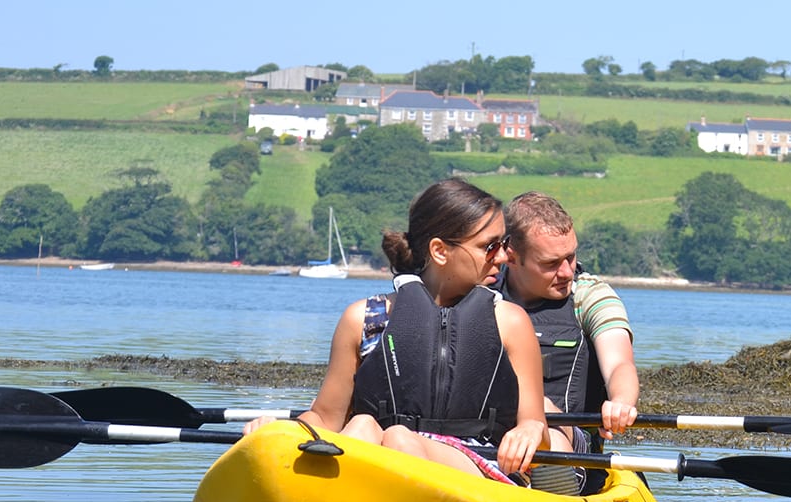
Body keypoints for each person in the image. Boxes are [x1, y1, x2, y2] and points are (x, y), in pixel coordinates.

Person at [246, 179, 551, 482]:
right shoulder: (363, 320)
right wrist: (278, 432)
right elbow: (325, 418)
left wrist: (531, 429)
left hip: (479, 469)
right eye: (490, 246)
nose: (502, 256)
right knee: (364, 425)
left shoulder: (510, 323)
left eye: (504, 243)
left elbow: (536, 428)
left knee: (398, 439)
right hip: (382, 460)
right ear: (440, 251)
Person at [497, 191, 639, 449]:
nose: (566, 272)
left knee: (537, 406)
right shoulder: (484, 294)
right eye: (551, 263)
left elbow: (619, 364)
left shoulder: (590, 296)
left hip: (570, 448)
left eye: (570, 257)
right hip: (492, 441)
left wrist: (621, 401)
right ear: (512, 256)